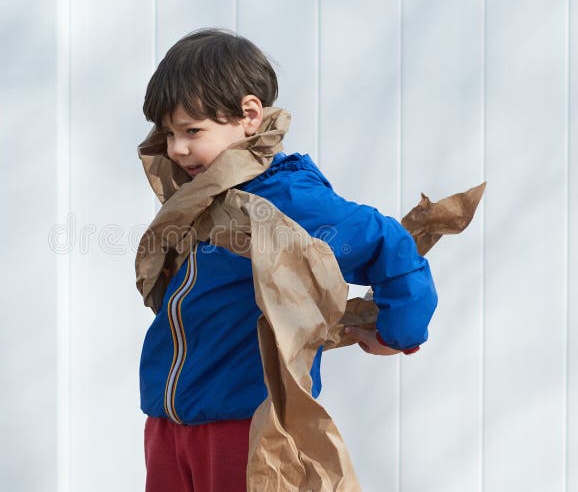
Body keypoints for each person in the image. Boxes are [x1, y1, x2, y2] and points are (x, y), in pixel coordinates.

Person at [137, 28, 438, 492]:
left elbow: (388, 243)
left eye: (192, 131)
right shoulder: (200, 200)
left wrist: (398, 332)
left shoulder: (288, 198)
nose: (176, 149)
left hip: (244, 428)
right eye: (170, 134)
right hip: (169, 426)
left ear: (250, 116)